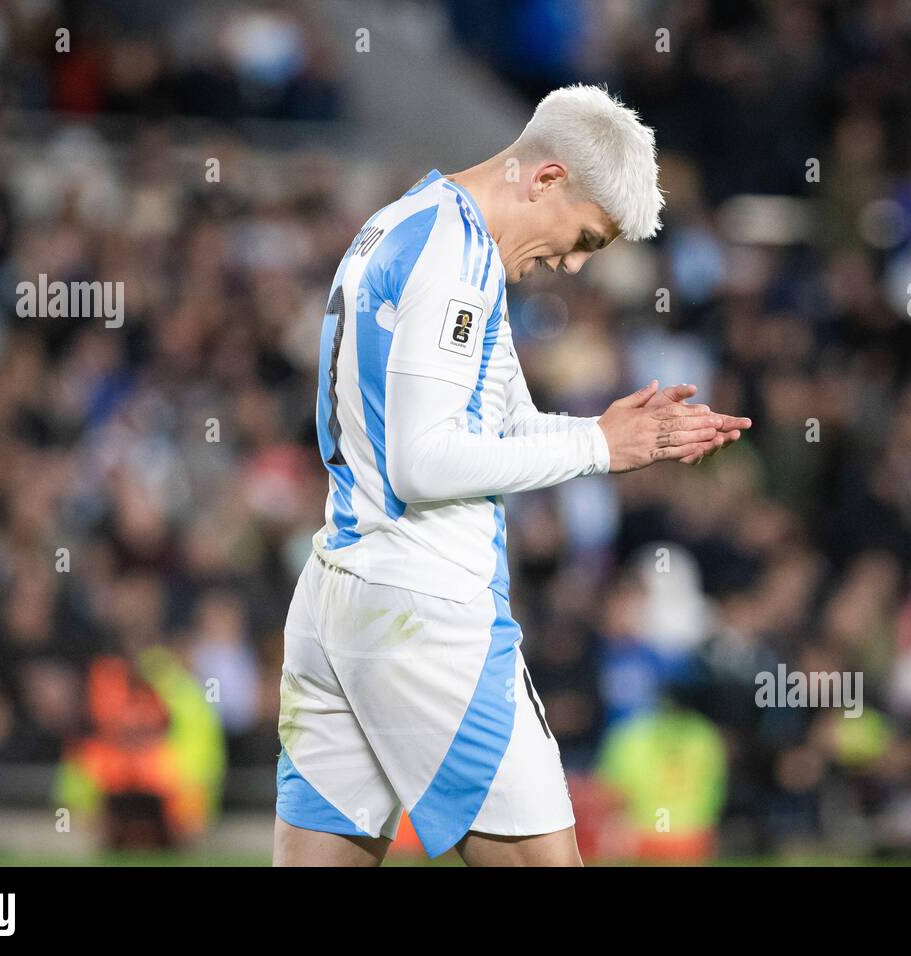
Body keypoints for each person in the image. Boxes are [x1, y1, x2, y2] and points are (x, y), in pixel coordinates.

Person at [272, 84, 751, 867]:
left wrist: (628, 435)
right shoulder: (457, 260)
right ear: (548, 177)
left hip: (338, 595)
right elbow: (423, 462)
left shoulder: (405, 223)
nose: (569, 263)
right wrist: (599, 447)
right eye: (585, 239)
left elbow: (503, 427)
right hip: (426, 609)